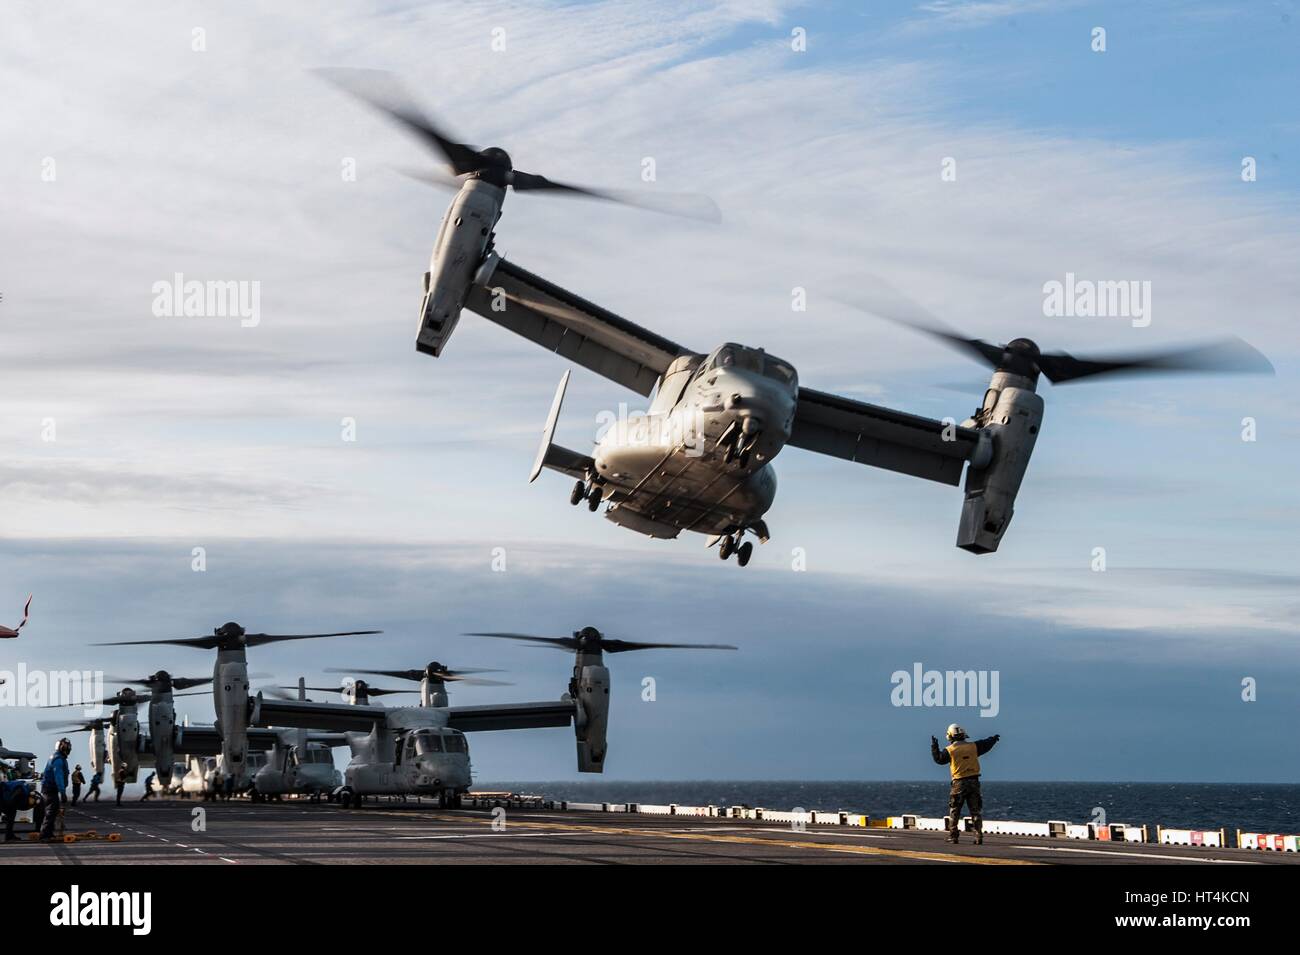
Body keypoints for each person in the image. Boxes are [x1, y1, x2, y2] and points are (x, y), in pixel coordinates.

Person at [931, 724, 1000, 845]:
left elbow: (939, 760)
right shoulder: (974, 746)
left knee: (955, 810)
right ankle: (978, 836)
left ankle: (953, 836)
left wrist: (934, 747)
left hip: (959, 783)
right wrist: (993, 738)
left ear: (950, 736)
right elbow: (986, 744)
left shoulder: (950, 750)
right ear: (963, 735)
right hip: (974, 782)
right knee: (975, 810)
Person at [38, 738, 72, 841]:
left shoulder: (57, 757)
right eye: (66, 747)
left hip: (50, 789)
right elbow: (59, 777)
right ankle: (45, 835)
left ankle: (49, 833)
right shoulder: (58, 760)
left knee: (53, 810)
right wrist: (63, 792)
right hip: (50, 789)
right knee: (51, 811)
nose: (68, 749)